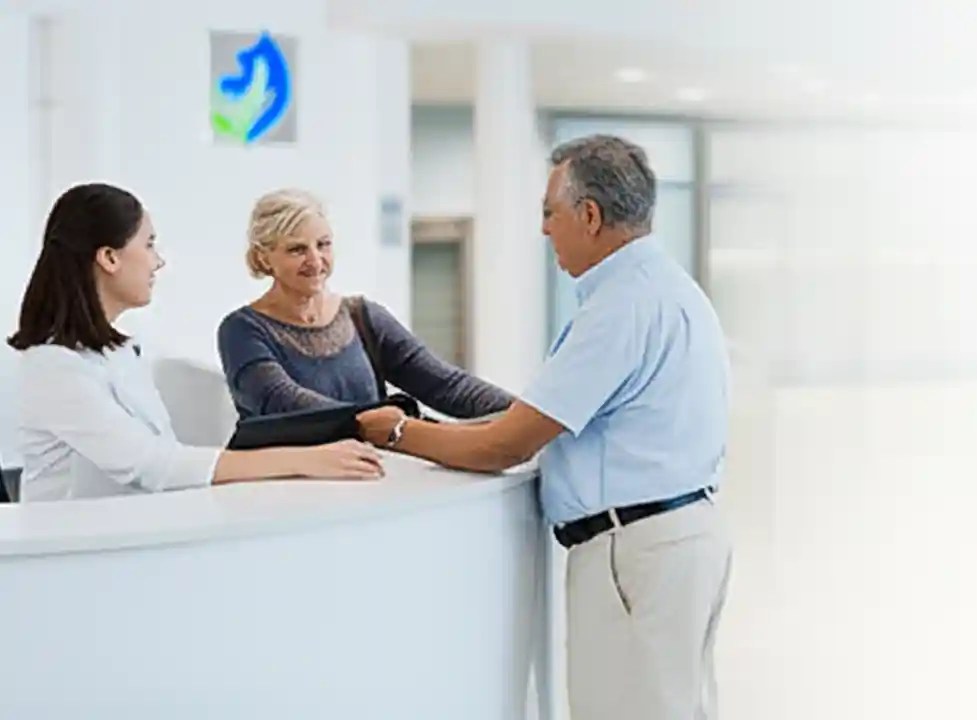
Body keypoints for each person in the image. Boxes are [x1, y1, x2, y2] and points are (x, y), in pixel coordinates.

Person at [355, 135, 733, 719]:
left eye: (548, 213)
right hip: (684, 539)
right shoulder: (668, 288)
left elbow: (507, 443)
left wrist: (398, 432)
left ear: (589, 215)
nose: (544, 230)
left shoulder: (620, 307)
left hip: (635, 553)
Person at [9, 183, 384, 502]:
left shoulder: (119, 352)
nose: (158, 262)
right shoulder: (53, 366)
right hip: (69, 561)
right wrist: (305, 460)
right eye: (149, 244)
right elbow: (151, 465)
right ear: (109, 257)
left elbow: (167, 459)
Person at [217, 189, 511, 420]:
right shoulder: (242, 330)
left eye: (323, 244)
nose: (316, 260)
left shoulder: (363, 317)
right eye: (297, 249)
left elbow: (447, 386)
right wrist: (385, 424)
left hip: (367, 485)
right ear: (264, 257)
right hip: (284, 489)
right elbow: (281, 401)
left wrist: (527, 415)